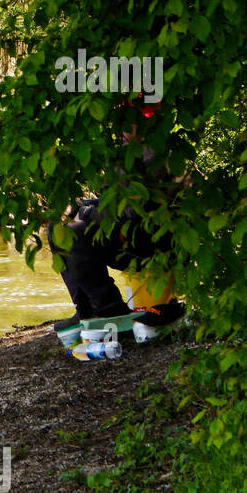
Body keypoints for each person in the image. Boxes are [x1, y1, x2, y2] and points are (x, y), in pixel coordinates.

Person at [48, 101, 186, 335]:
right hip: (128, 234)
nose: (117, 130)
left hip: (149, 242)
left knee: (74, 233)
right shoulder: (124, 155)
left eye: (124, 124)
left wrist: (88, 213)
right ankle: (87, 309)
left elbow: (135, 209)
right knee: (57, 227)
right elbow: (110, 200)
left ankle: (110, 310)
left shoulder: (156, 155)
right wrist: (80, 206)